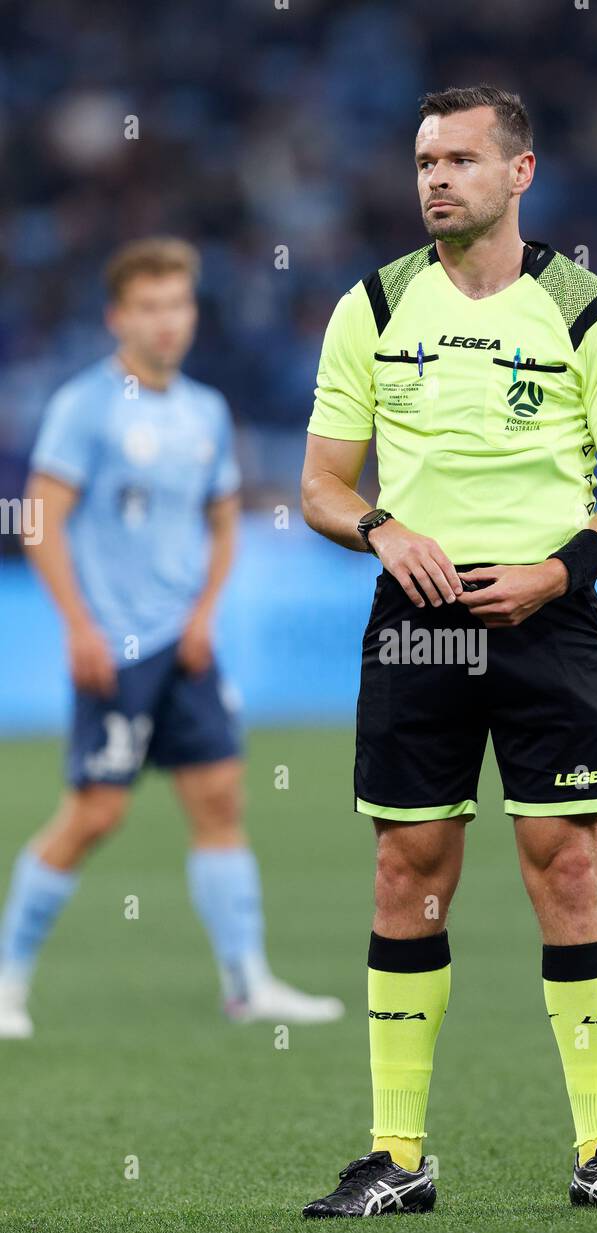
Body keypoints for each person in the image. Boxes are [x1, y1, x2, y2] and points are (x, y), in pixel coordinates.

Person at [300, 86, 597, 1216]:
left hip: (547, 619)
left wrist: (556, 571)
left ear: (519, 173)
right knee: (406, 875)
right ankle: (396, 1156)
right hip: (415, 625)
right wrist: (382, 527)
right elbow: (319, 483)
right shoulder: (370, 306)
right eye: (422, 159)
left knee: (565, 865)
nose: (434, 179)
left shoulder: (585, 310)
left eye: (460, 158)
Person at [0, 237, 343, 1038]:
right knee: (95, 815)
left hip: (184, 645)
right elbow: (41, 521)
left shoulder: (205, 411)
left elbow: (223, 524)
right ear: (120, 317)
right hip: (112, 644)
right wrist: (78, 627)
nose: (166, 322)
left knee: (220, 799)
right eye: (149, 307)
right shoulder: (86, 405)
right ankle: (8, 982)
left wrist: (202, 615)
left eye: (179, 305)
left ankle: (247, 982)